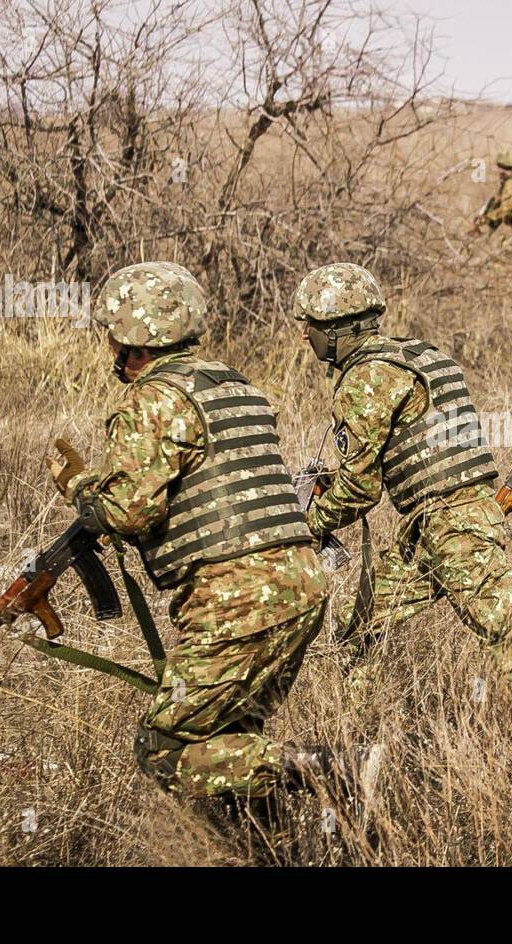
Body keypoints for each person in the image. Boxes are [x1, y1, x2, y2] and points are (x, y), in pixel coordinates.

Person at [48, 260, 331, 806]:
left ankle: (317, 770)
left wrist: (80, 487)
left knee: (165, 747)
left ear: (127, 336)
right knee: (228, 739)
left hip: (238, 598)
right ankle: (267, 846)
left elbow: (128, 513)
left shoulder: (152, 399)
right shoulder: (238, 387)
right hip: (302, 584)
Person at [291, 262, 512, 713]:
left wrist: (305, 527)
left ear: (337, 328)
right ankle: (350, 727)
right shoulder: (423, 355)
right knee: (362, 630)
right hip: (431, 526)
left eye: (311, 325)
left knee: (511, 635)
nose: (305, 336)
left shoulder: (367, 377)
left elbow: (359, 491)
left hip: (453, 528)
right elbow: (417, 447)